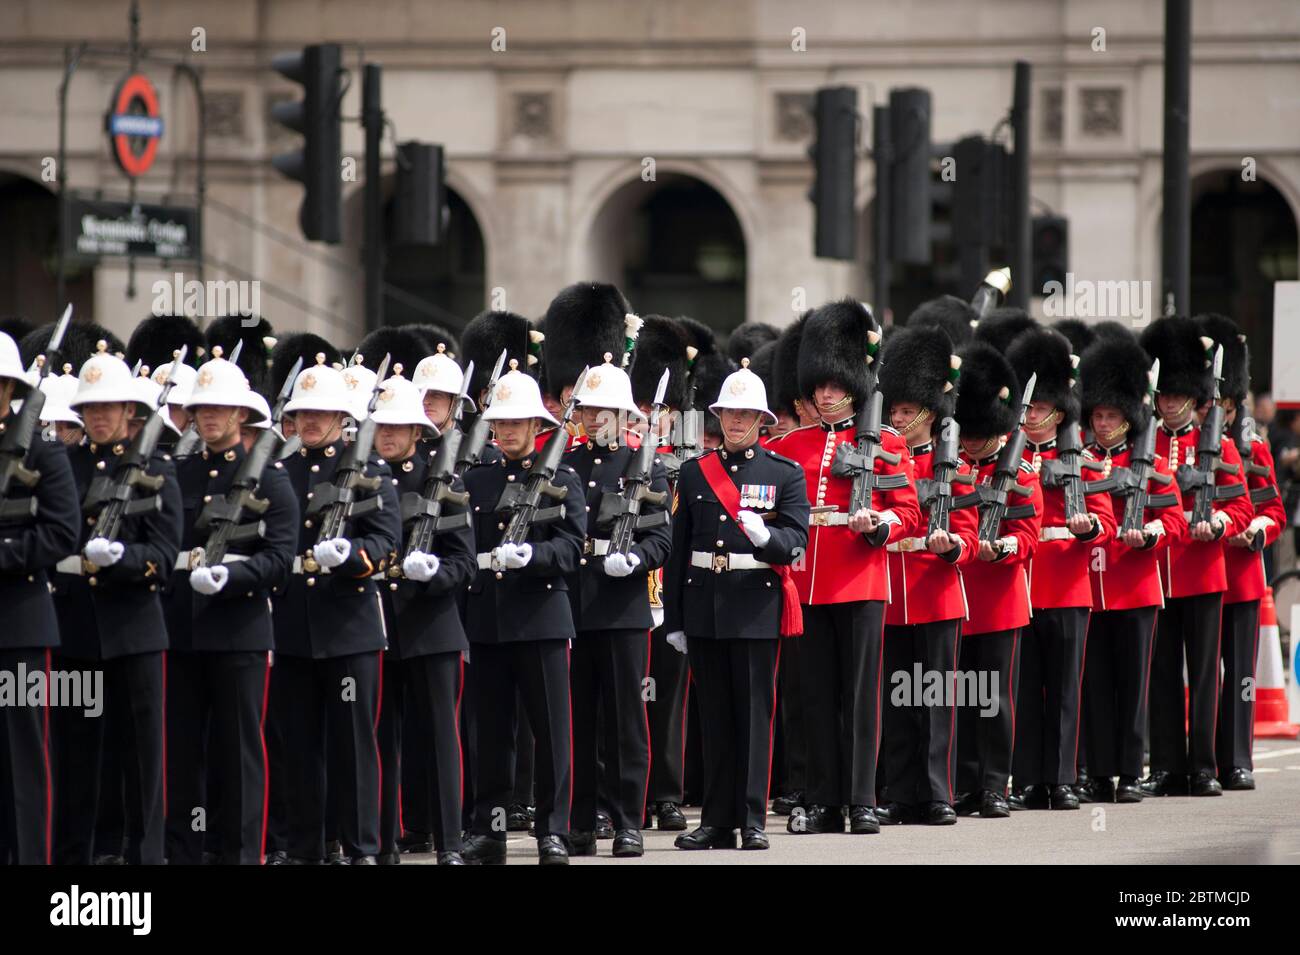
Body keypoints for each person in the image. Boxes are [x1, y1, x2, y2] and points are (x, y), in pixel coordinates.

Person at [767, 299, 920, 835]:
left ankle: (859, 798)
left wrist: (878, 524)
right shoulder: (787, 447)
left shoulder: (887, 445)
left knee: (859, 697)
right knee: (813, 696)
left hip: (860, 577)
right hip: (806, 581)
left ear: (855, 384)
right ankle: (822, 799)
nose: (828, 394)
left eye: (837, 385)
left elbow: (908, 512)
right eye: (821, 386)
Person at [663, 358, 810, 850]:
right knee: (715, 718)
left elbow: (795, 540)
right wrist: (676, 620)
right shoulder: (694, 472)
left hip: (754, 607)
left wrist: (766, 537)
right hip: (705, 606)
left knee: (753, 716)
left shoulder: (784, 473)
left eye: (746, 414)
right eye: (729, 413)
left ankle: (751, 819)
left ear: (762, 420)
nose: (736, 421)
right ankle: (716, 820)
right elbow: (679, 548)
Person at [162, 349, 297, 864]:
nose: (209, 416)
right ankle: (184, 852)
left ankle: (242, 854)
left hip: (239, 628)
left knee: (239, 754)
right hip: (181, 628)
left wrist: (234, 574)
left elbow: (280, 559)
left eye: (220, 407)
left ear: (242, 415)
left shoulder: (269, 477)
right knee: (182, 754)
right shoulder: (178, 473)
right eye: (201, 409)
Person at [54, 342, 183, 865]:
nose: (99, 416)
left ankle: (144, 855)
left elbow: (164, 553)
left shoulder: (155, 468)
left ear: (130, 410)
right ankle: (79, 857)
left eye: (108, 406)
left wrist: (123, 559)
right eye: (90, 408)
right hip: (76, 629)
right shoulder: (63, 465)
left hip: (134, 628)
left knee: (142, 758)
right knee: (78, 756)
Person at [272, 353, 400, 864]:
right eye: (302, 413)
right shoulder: (280, 470)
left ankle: (362, 846)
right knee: (298, 747)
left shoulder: (367, 470)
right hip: (294, 624)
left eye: (319, 414)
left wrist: (352, 557)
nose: (309, 422)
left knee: (353, 748)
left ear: (340, 418)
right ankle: (306, 846)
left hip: (349, 623)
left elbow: (386, 538)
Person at [460, 361, 585, 865]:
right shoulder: (478, 479)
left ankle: (552, 830)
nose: (507, 430)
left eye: (516, 422)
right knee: (490, 733)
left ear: (537, 426)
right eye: (500, 422)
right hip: (487, 619)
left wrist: (534, 557)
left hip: (540, 617)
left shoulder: (562, 478)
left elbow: (572, 547)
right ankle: (489, 829)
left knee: (551, 732)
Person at [1138, 317, 1254, 797]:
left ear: (1193, 398)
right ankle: (1167, 765)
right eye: (1162, 396)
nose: (1167, 404)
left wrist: (1221, 524)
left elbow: (1243, 506)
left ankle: (1203, 765)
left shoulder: (1218, 444)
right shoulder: (1144, 446)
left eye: (1174, 397)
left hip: (1203, 570)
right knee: (1162, 672)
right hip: (1157, 572)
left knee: (1205, 674)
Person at [1005, 326, 1116, 811]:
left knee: (1067, 688)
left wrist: (1088, 525)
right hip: (1024, 582)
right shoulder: (1009, 459)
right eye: (1025, 408)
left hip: (1068, 581)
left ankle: (1064, 778)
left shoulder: (1084, 461)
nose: (1028, 416)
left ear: (1057, 411)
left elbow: (1107, 524)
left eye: (1037, 408)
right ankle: (1030, 778)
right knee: (1027, 687)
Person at [876, 324, 982, 820]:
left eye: (904, 411)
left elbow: (969, 530)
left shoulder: (953, 464)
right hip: (894, 591)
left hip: (936, 587)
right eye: (893, 410)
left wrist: (951, 546)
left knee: (936, 698)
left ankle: (938, 792)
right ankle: (900, 793)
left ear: (927, 412)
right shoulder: (882, 460)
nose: (897, 418)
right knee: (897, 696)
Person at [372, 369, 476, 865]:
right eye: (382, 425)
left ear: (418, 431)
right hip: (374, 622)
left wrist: (432, 573)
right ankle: (384, 837)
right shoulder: (362, 480)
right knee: (381, 737)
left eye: (398, 426)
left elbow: (464, 560)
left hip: (431, 623)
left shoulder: (443, 481)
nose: (388, 434)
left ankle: (450, 841)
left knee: (440, 736)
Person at [1079, 329, 1186, 803]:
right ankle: (1100, 772)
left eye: (1111, 415)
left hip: (1135, 585)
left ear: (1128, 417)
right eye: (1098, 415)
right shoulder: (1079, 462)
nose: (1103, 424)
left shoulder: (1151, 461)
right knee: (1096, 685)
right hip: (1091, 587)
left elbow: (1175, 521)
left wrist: (1151, 537)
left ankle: (1130, 772)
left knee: (1133, 684)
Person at [952, 342, 1043, 822]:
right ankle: (966, 781)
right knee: (962, 692)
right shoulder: (954, 464)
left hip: (1001, 594)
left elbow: (1027, 533)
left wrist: (1004, 549)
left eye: (977, 434)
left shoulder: (1021, 469)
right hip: (959, 590)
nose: (968, 442)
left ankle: (994, 784)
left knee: (995, 696)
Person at [1198, 315, 1287, 791]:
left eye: (1222, 404)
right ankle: (1203, 759)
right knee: (1203, 671)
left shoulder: (1251, 447)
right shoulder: (1187, 448)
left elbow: (1273, 507)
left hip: (1241, 570)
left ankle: (1237, 759)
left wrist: (1252, 528)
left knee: (1241, 676)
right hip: (1199, 571)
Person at [0, 331, 79, 864]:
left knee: (23, 760)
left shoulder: (41, 452)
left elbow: (60, 533)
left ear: (8, 387)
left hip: (19, 626)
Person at [630, 316, 696, 832]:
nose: (653, 417)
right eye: (645, 408)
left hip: (670, 596)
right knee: (623, 699)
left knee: (669, 699)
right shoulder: (613, 460)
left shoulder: (693, 465)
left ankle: (666, 794)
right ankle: (623, 796)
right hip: (625, 593)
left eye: (663, 409)